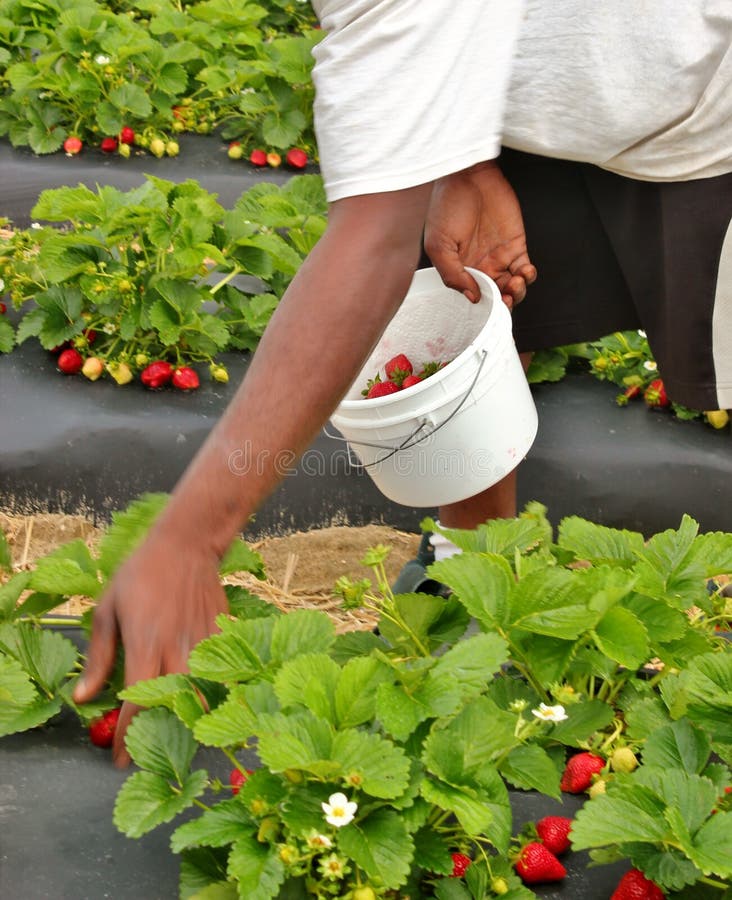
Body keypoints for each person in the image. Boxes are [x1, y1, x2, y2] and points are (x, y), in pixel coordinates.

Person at [72, 0, 732, 765]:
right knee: (464, 299)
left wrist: (190, 538)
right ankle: (475, 577)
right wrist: (464, 162)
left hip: (700, 81)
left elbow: (373, 241)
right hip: (525, 87)